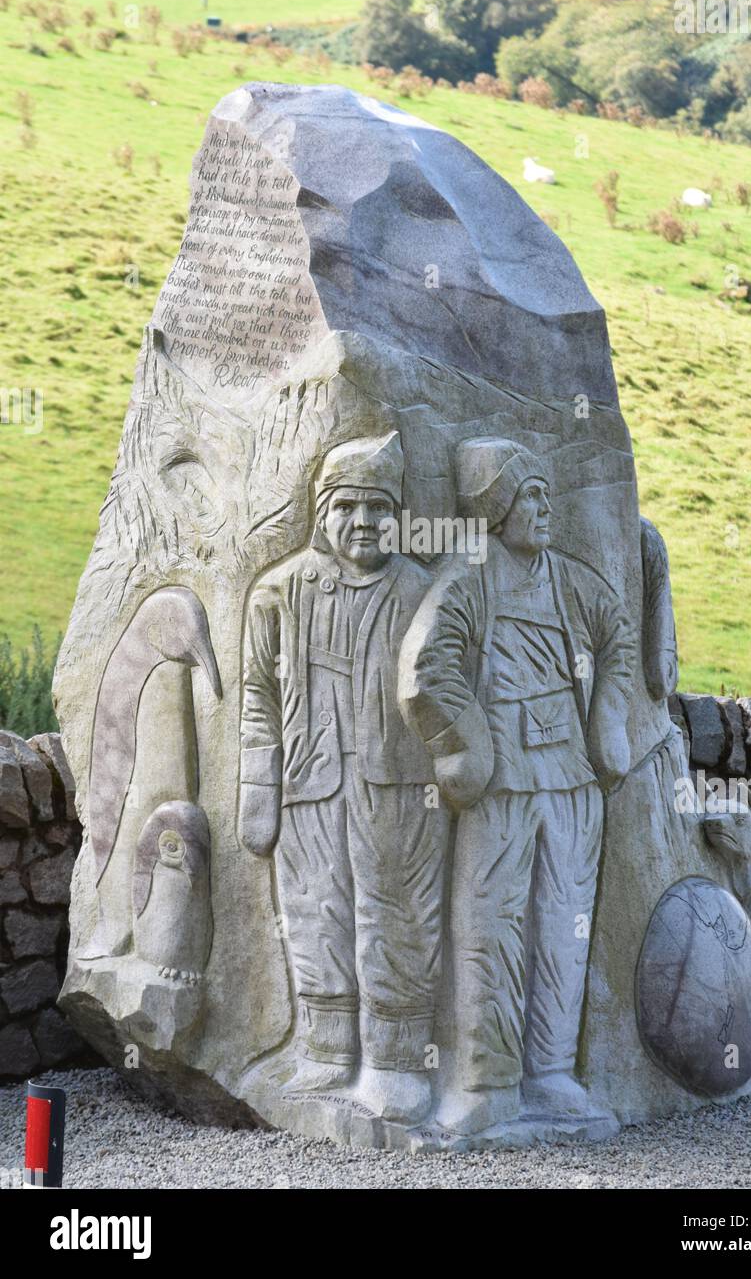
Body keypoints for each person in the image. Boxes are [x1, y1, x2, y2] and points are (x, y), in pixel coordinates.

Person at [399, 437, 636, 1135]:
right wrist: (468, 743)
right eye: (530, 496)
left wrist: (610, 717)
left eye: (545, 495)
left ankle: (553, 1071)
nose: (544, 509)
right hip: (502, 785)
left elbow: (618, 633)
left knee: (564, 927)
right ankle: (486, 1079)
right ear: (498, 507)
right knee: (491, 928)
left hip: (570, 781)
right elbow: (425, 665)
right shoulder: (470, 577)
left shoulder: (571, 582)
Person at [238, 431, 445, 1125]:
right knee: (315, 909)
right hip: (310, 785)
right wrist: (258, 787)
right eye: (348, 507)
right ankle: (326, 1048)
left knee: (397, 915)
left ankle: (395, 1059)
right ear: (322, 512)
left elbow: (448, 688)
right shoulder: (279, 593)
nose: (363, 523)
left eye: (379, 509)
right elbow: (257, 698)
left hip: (399, 791)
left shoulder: (421, 591)